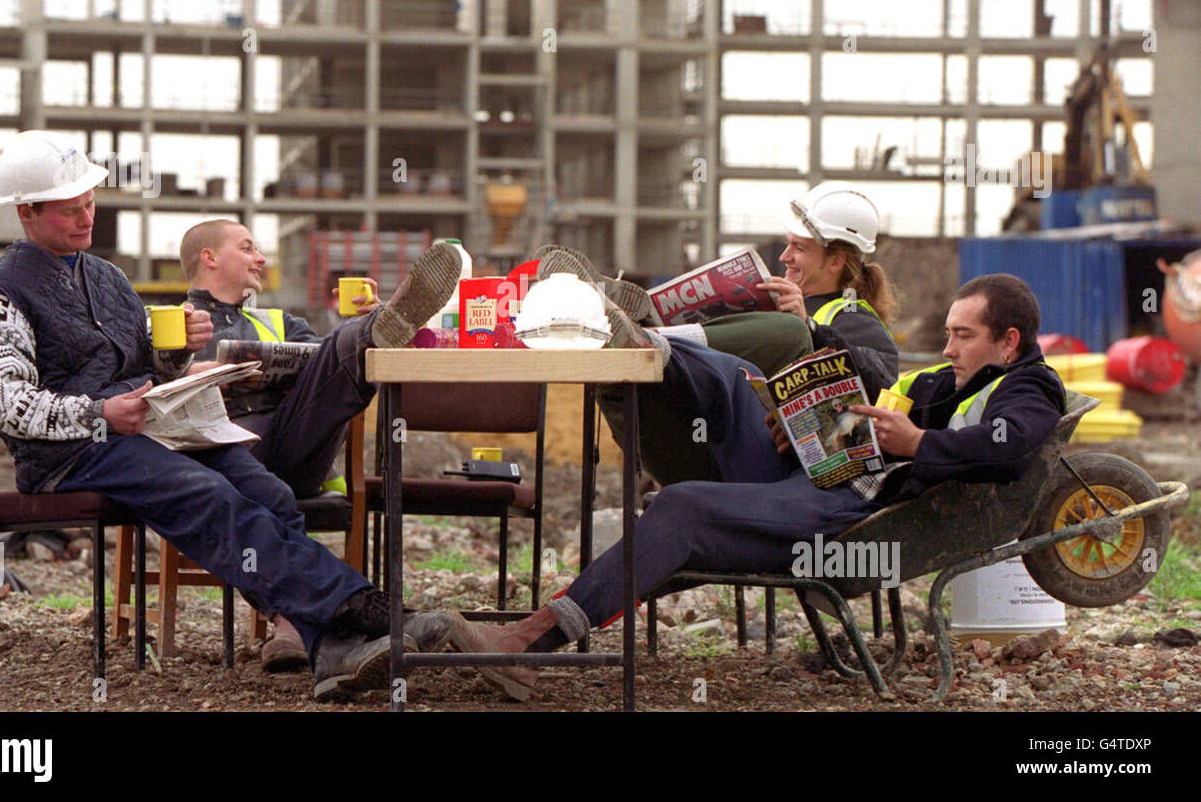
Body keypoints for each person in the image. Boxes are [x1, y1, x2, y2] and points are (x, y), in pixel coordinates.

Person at [0, 131, 464, 701]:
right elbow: (0, 401)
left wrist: (175, 354)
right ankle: (368, 615)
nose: (86, 217)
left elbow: (145, 364)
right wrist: (97, 412)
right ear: (27, 211)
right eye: (71, 209)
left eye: (90, 202)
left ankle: (331, 647)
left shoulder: (107, 279)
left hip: (149, 428)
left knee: (267, 493)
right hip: (75, 450)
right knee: (209, 496)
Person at [450, 273, 1065, 700]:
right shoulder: (952, 378)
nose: (949, 345)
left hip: (849, 515)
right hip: (830, 473)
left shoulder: (1028, 388)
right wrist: (807, 424)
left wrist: (918, 444)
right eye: (951, 332)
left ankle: (529, 643)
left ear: (1008, 341)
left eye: (964, 335)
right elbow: (879, 420)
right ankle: (643, 338)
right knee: (741, 374)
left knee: (683, 507)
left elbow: (1006, 450)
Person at [539, 182, 900, 487]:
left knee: (788, 333)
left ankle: (649, 337)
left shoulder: (851, 317)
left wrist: (812, 330)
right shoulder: (779, 302)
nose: (786, 256)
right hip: (708, 447)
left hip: (776, 468)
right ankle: (639, 334)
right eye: (788, 244)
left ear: (836, 261)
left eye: (800, 248)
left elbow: (884, 386)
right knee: (619, 380)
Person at [176, 218, 411, 671]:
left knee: (343, 348)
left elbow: (328, 376)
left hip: (292, 447)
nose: (261, 258)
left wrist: (359, 329)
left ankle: (382, 324)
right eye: (247, 248)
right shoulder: (175, 328)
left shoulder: (279, 321)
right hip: (224, 460)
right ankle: (290, 622)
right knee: (250, 485)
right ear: (210, 258)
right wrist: (199, 378)